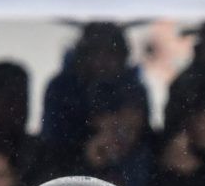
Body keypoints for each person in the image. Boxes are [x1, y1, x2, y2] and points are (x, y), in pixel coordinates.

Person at [38, 21, 147, 159]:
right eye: (95, 52)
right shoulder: (62, 88)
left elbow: (145, 143)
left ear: (123, 56)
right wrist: (87, 148)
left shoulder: (133, 90)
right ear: (81, 54)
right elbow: (52, 141)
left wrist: (124, 130)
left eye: (111, 53)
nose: (102, 61)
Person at [62, 78, 153, 186]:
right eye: (117, 129)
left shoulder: (147, 161)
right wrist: (91, 164)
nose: (123, 139)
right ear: (96, 120)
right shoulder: (65, 157)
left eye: (131, 130)